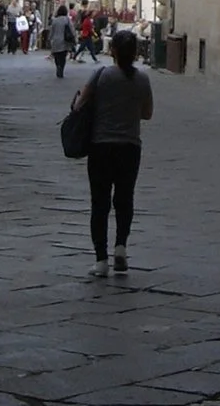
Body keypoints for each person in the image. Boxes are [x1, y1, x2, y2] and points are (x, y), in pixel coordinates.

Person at [70, 29, 153, 277]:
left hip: (101, 146)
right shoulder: (142, 79)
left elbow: (79, 105)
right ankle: (121, 248)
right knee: (124, 199)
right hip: (130, 146)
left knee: (100, 202)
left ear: (113, 51)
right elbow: (147, 113)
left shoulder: (101, 75)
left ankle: (100, 260)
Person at [47, 6, 75, 79]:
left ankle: (58, 66)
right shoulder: (67, 19)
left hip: (55, 41)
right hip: (64, 40)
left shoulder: (55, 20)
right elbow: (72, 29)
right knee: (63, 56)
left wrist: (49, 38)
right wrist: (73, 37)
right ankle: (61, 68)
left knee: (56, 56)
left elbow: (51, 31)